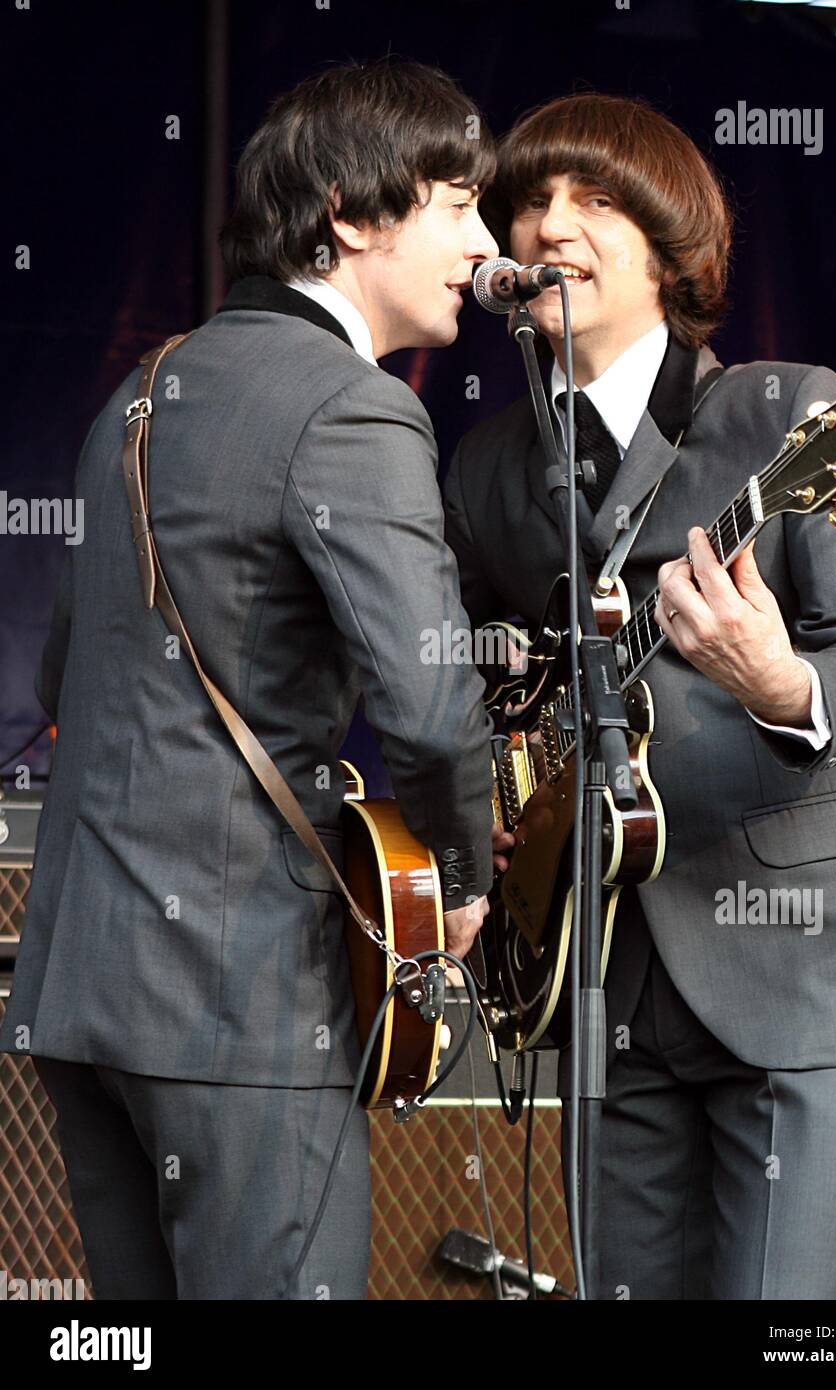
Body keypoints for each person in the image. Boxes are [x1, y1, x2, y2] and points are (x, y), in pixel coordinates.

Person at [0, 58, 503, 1300]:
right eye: (454, 201)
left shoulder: (139, 391)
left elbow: (70, 665)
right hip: (238, 997)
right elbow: (434, 708)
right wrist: (465, 884)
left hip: (80, 987)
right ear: (347, 213)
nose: (482, 242)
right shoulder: (354, 408)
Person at [443, 92, 836, 1300]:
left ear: (672, 253)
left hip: (794, 969)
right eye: (534, 200)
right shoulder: (492, 465)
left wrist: (779, 679)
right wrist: (501, 791)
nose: (553, 225)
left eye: (596, 201)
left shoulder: (795, 412)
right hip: (599, 969)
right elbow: (465, 677)